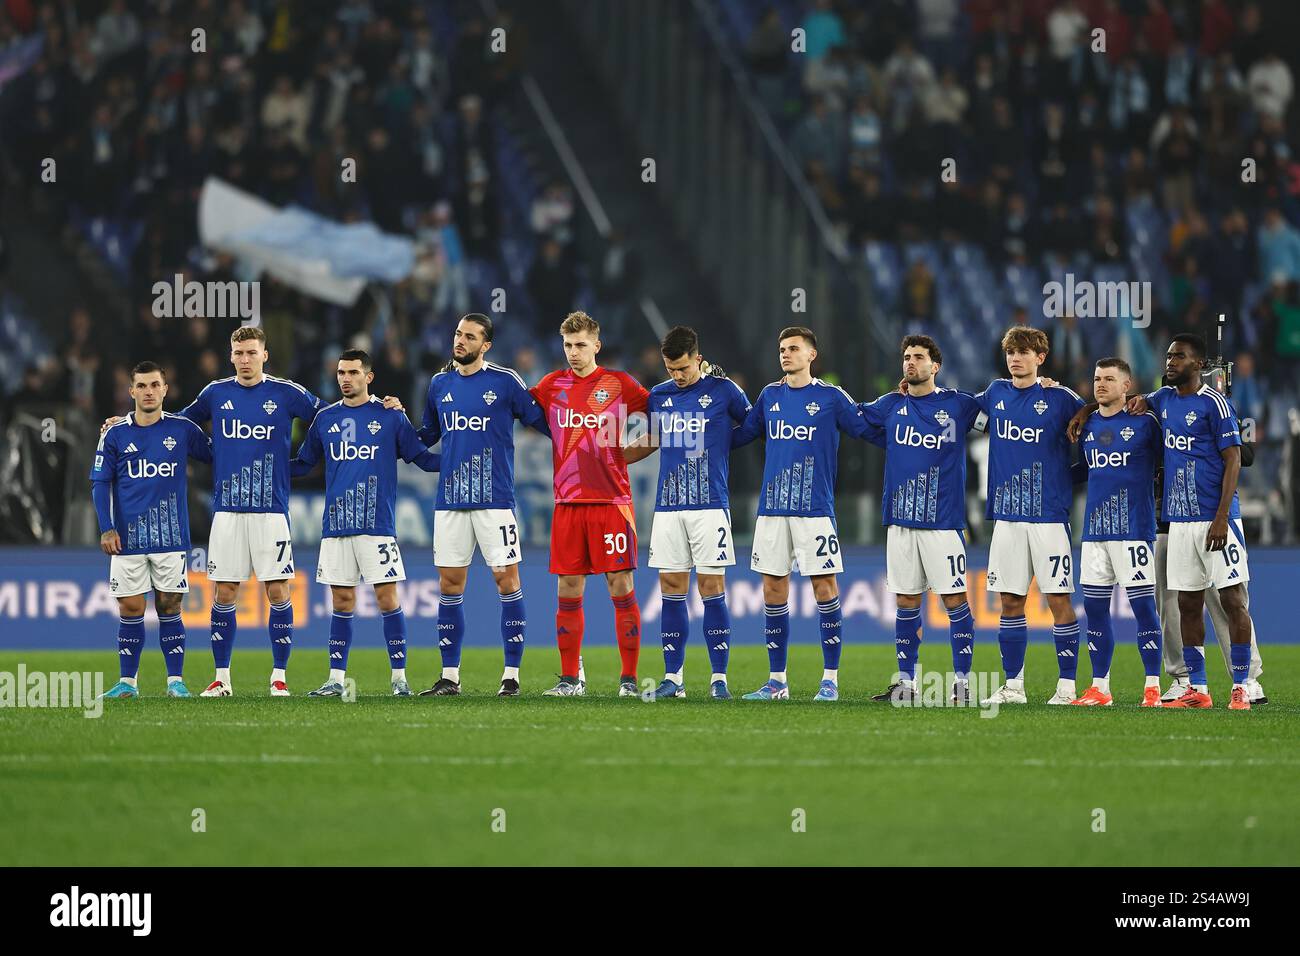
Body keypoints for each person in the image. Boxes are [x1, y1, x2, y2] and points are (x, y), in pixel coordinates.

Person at [729, 326, 875, 701]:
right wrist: (705, 426)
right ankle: (777, 681)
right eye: (781, 348)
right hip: (773, 510)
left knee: (824, 588)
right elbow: (744, 433)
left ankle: (830, 679)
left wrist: (905, 407)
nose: (785, 354)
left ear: (812, 355)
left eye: (793, 348)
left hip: (815, 510)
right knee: (773, 588)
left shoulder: (830, 397)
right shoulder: (770, 396)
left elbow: (864, 426)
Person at [289, 350, 440, 697]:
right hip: (336, 526)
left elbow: (420, 457)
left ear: (368, 377)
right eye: (341, 372)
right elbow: (303, 464)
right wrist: (269, 468)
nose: (345, 378)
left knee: (387, 598)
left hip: (377, 525)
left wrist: (456, 459)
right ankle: (336, 679)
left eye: (354, 372)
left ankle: (399, 679)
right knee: (342, 601)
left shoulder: (389, 417)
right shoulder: (325, 419)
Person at [416, 314, 551, 697]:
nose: (460, 340)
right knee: (449, 584)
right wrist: (393, 420)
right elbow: (426, 435)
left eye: (470, 336)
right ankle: (450, 676)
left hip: (495, 500)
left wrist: (579, 426)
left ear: (485, 345)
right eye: (458, 333)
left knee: (506, 581)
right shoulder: (439, 384)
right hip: (451, 502)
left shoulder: (505, 382)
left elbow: (539, 421)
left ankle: (511, 675)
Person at [1129, 335, 1258, 709]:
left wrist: (1221, 518)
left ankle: (1240, 686)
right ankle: (1197, 689)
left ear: (1198, 364)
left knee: (1233, 599)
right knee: (1187, 603)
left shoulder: (1214, 404)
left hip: (1216, 519)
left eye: (1179, 357)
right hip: (1178, 520)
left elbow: (1234, 459)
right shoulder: (1163, 399)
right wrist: (1086, 411)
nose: (1170, 362)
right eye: (1168, 355)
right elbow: (1130, 403)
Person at [528, 312, 651, 697]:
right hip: (568, 503)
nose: (573, 353)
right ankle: (570, 680)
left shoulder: (620, 384)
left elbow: (660, 420)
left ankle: (629, 681)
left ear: (596, 345)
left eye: (581, 345)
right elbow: (517, 407)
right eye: (567, 345)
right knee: (567, 586)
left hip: (611, 502)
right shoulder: (552, 385)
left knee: (620, 583)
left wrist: (625, 456)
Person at [856, 335, 983, 704]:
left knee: (955, 600)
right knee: (907, 601)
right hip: (900, 521)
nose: (911, 363)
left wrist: (1043, 386)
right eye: (907, 357)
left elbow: (1003, 414)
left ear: (935, 366)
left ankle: (963, 683)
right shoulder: (890, 405)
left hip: (943, 523)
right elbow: (852, 416)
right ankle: (905, 684)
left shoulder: (958, 405)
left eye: (919, 357)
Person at [638, 326, 752, 700]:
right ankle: (674, 678)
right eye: (671, 369)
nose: (678, 375)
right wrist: (609, 457)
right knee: (671, 588)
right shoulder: (659, 396)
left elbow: (750, 426)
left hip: (710, 505)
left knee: (711, 588)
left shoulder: (723, 391)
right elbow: (653, 440)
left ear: (698, 359)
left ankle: (719, 678)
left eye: (684, 368)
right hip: (668, 506)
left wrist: (719, 442)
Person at [976, 326, 1086, 706]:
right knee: (1010, 601)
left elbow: (1099, 420)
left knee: (1058, 600)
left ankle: (1068, 686)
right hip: (1007, 518)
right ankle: (1013, 686)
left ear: (1040, 358)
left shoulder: (1060, 398)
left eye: (1024, 352)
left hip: (1049, 518)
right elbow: (957, 410)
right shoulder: (995, 394)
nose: (1015, 358)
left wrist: (1068, 479)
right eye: (1011, 352)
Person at [91, 362, 212, 698]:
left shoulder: (183, 429)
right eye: (141, 386)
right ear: (131, 391)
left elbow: (217, 454)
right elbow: (100, 483)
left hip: (170, 537)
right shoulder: (114, 434)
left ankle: (175, 681)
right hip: (127, 540)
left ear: (165, 389)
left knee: (169, 607)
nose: (148, 391)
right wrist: (106, 528)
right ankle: (128, 683)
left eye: (154, 385)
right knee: (130, 608)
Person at [1074, 358, 1165, 706]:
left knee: (1143, 607)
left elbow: (1166, 461)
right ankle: (1100, 687)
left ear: (1127, 386)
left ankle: (1152, 687)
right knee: (1095, 611)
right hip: (1095, 533)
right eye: (1097, 378)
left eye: (1109, 379)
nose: (1100, 384)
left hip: (1134, 530)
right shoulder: (1087, 424)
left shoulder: (1145, 423)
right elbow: (1084, 470)